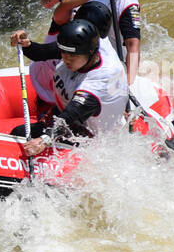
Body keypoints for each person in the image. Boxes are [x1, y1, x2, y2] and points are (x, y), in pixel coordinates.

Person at [12, 18, 128, 156]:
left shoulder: (98, 82)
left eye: (72, 57)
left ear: (90, 53)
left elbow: (69, 117)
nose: (66, 59)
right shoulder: (77, 48)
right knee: (17, 134)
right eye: (63, 54)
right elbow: (42, 52)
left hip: (90, 138)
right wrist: (26, 45)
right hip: (65, 119)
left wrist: (45, 140)